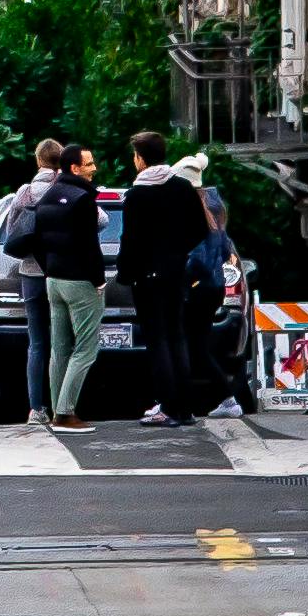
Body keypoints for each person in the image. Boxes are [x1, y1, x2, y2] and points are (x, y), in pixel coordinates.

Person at [121, 132, 215, 422]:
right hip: (176, 273)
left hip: (147, 276)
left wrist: (127, 273)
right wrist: (176, 252)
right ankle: (184, 408)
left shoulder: (137, 195)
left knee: (157, 340)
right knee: (177, 336)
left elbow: (131, 240)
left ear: (141, 159)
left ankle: (167, 404)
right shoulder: (181, 188)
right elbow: (200, 229)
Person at [32, 143, 110, 421]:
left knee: (60, 349)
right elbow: (90, 247)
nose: (94, 169)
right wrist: (99, 281)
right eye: (89, 164)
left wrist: (49, 268)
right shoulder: (83, 199)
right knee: (86, 350)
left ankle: (56, 411)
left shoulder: (48, 195)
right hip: (80, 282)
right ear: (75, 168)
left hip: (54, 280)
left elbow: (37, 241)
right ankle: (65, 413)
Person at [0, 137, 67, 418]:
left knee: (37, 343)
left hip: (30, 273)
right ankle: (64, 404)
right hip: (61, 272)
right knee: (62, 342)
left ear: (38, 161)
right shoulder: (65, 189)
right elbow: (98, 221)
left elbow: (13, 230)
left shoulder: (25, 192)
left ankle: (36, 408)